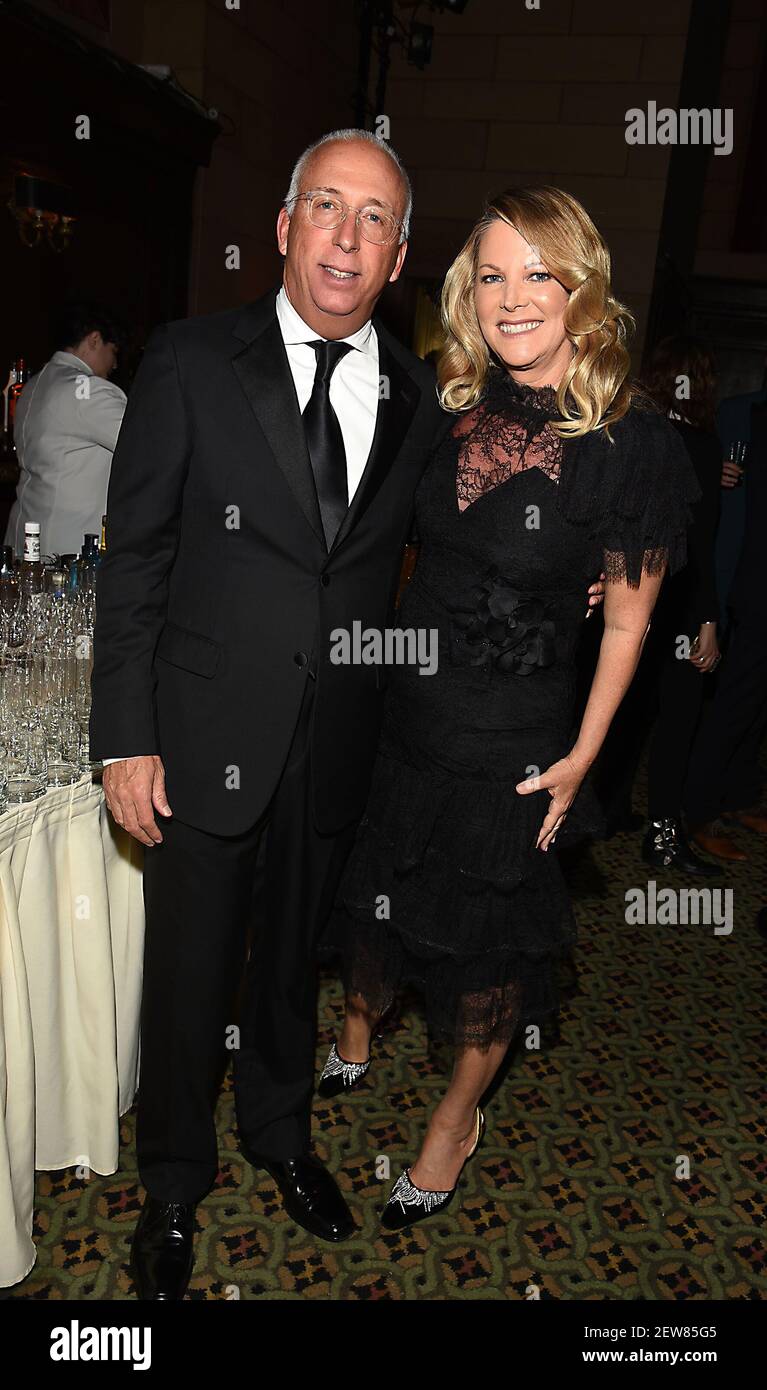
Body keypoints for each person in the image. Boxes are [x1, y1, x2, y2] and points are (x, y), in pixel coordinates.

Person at [89, 131, 608, 1300]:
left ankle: (281, 1135)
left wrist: (577, 568)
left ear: (398, 256)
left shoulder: (425, 400)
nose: (346, 235)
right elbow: (138, 559)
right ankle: (172, 1182)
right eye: (326, 207)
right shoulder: (189, 359)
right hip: (201, 736)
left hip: (342, 746)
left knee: (291, 969)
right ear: (284, 227)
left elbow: (484, 522)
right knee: (189, 978)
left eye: (375, 219)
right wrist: (125, 734)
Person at [319, 186, 699, 1232]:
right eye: (491, 274)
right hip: (404, 713)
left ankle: (453, 1123)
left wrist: (582, 758)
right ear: (466, 292)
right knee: (375, 895)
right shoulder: (448, 405)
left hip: (512, 745)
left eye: (539, 273)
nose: (512, 296)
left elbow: (626, 626)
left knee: (485, 950)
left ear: (582, 289)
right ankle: (355, 1026)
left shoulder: (632, 445)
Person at [637, 336, 722, 875]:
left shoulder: (635, 432)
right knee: (676, 724)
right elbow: (702, 542)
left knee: (622, 716)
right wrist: (709, 620)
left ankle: (597, 816)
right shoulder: (700, 445)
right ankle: (664, 835)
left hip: (625, 600)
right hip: (677, 605)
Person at [685, 393, 767, 861]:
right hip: (749, 583)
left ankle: (739, 795)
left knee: (757, 706)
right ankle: (699, 812)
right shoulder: (742, 412)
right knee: (733, 702)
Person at [4, 301, 126, 559]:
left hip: (23, 538)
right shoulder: (90, 391)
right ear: (95, 340)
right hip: (68, 551)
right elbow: (151, 446)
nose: (114, 364)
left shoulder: (34, 386)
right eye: (113, 351)